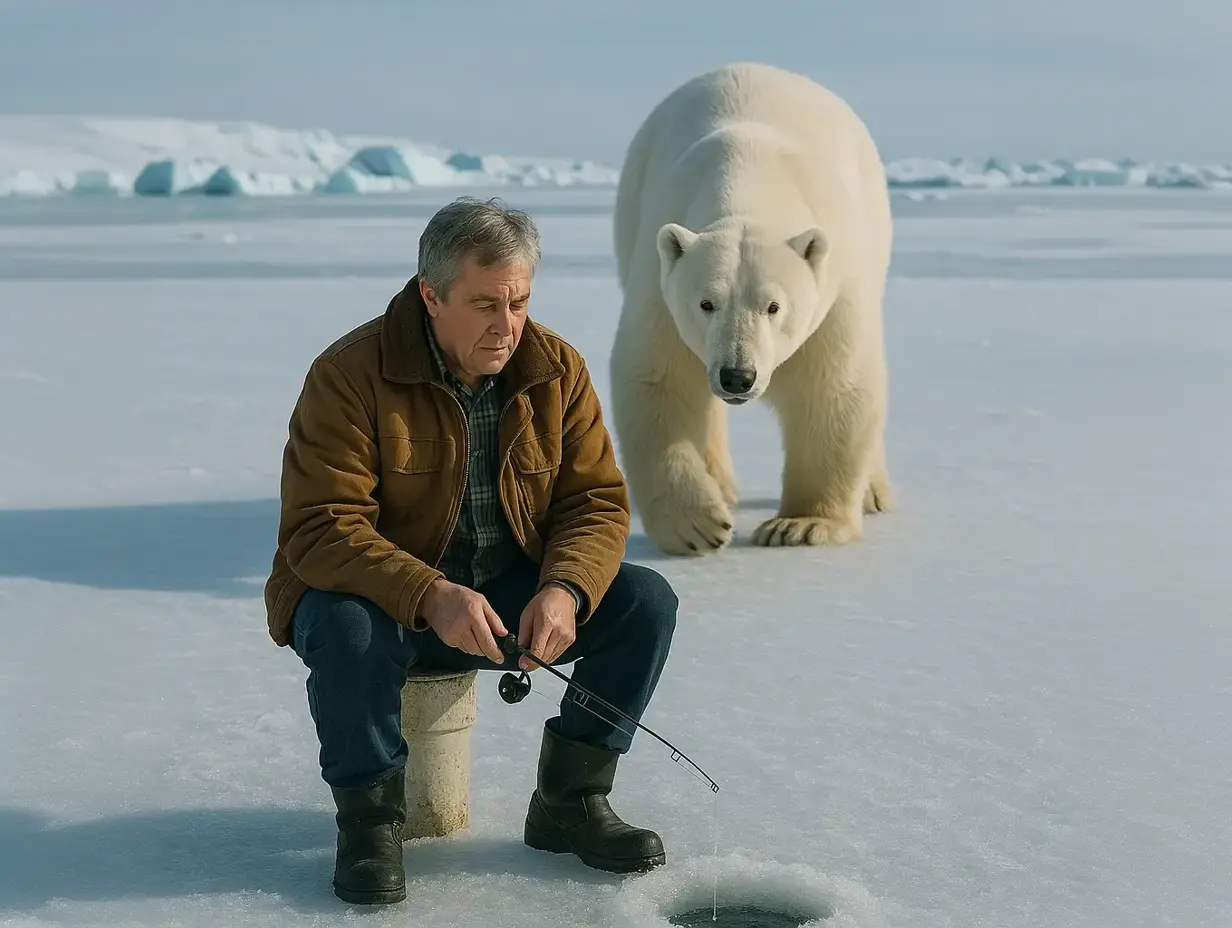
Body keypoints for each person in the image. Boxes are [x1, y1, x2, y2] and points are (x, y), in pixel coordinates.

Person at [263, 196, 679, 906]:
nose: (508, 324)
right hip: (374, 601)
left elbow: (595, 502)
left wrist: (566, 590)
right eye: (485, 303)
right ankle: (369, 823)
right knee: (346, 626)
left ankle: (570, 802)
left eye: (519, 301)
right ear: (431, 295)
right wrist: (428, 593)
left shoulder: (556, 369)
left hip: (502, 594)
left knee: (642, 601)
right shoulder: (348, 374)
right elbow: (322, 527)